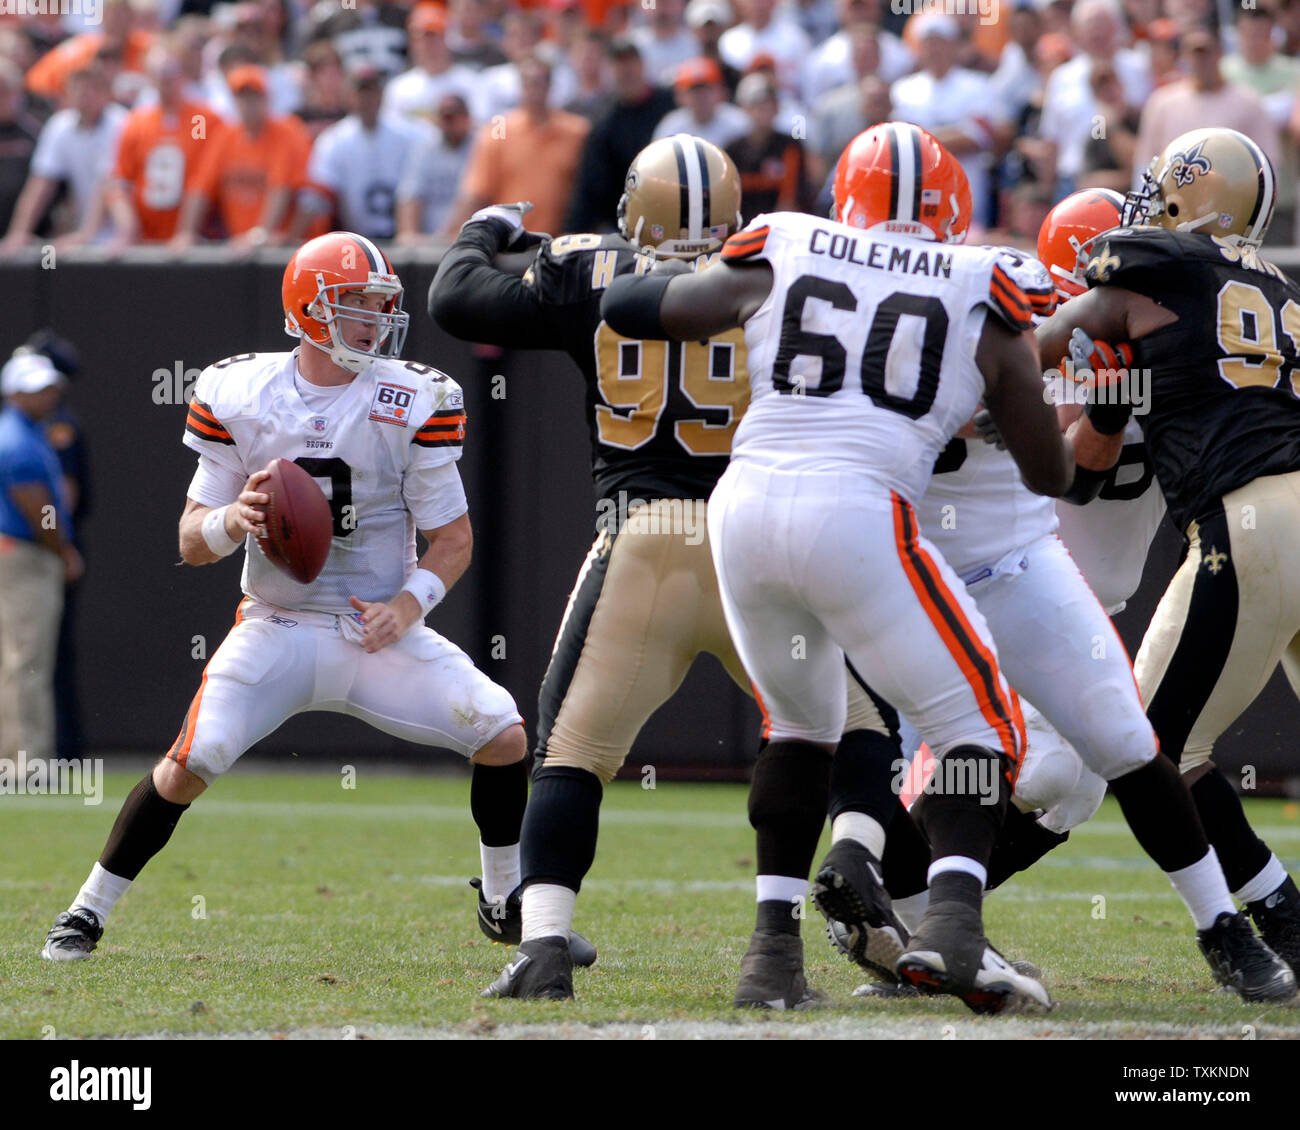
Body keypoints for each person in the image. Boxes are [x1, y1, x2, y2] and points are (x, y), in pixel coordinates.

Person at [603, 123, 1296, 1008]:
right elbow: (1061, 467)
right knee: (995, 747)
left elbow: (656, 311)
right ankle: (941, 919)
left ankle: (1210, 929)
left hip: (946, 549)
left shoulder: (819, 251)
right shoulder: (992, 287)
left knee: (1063, 742)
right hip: (916, 557)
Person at [431, 136, 907, 1006]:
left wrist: (483, 230)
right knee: (853, 729)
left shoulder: (593, 271)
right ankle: (849, 866)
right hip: (753, 538)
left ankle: (542, 944)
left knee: (570, 752)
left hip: (641, 536)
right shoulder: (777, 265)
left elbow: (457, 300)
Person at [39, 231, 592, 970]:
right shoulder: (240, 391)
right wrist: (233, 520)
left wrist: (409, 603)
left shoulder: (413, 398)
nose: (374, 320)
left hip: (373, 632)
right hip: (277, 624)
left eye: (380, 305)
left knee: (502, 733)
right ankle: (86, 911)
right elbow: (190, 541)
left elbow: (453, 539)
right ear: (306, 310)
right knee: (189, 760)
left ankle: (502, 901)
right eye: (355, 305)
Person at [1039, 126, 1300, 979]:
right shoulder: (1284, 291)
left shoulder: (1161, 263)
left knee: (1148, 748)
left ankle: (1267, 923)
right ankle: (1275, 906)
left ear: (1193, 192)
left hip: (1251, 522)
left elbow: (1071, 315)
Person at [0, 353, 82, 769]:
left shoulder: (30, 433)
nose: (47, 396)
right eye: (36, 389)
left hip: (19, 554)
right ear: (14, 393)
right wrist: (62, 549)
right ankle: (25, 760)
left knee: (18, 658)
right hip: (26, 558)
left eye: (49, 387)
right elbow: (40, 512)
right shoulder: (18, 441)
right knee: (26, 660)